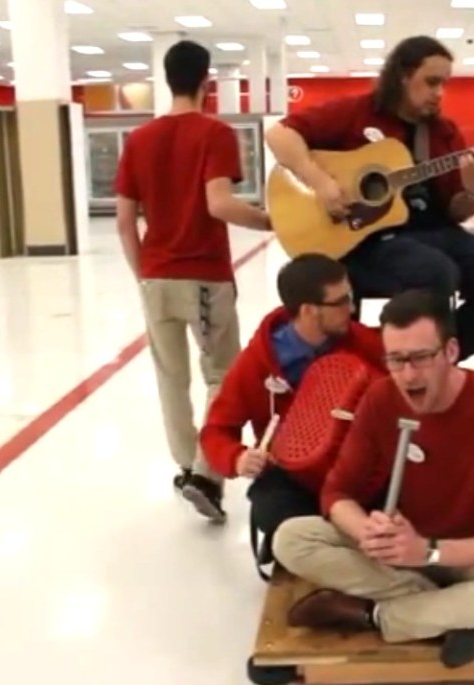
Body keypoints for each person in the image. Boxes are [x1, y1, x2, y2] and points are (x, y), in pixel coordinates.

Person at [271, 289, 474, 669]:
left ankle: (376, 615)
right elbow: (337, 493)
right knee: (291, 538)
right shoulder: (379, 399)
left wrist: (432, 552)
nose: (408, 374)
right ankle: (456, 613)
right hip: (406, 554)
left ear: (451, 351)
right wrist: (363, 529)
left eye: (422, 358)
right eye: (396, 359)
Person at [264, 35, 474, 363]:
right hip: (368, 240)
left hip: (433, 232)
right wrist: (321, 182)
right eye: (431, 82)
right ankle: (392, 356)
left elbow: (455, 213)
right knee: (436, 272)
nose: (439, 93)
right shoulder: (358, 112)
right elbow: (279, 134)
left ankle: (434, 357)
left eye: (444, 83)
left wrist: (473, 190)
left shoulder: (443, 133)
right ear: (403, 76)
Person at [114, 39, 273, 523]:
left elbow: (124, 220)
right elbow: (219, 204)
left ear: (166, 79)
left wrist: (144, 273)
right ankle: (207, 472)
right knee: (222, 376)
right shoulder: (215, 134)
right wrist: (271, 221)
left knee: (171, 378)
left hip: (156, 279)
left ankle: (186, 467)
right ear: (207, 81)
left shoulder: (138, 141)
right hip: (205, 278)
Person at [199, 253, 385, 532]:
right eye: (341, 301)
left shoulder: (362, 341)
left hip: (359, 469)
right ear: (309, 310)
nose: (352, 308)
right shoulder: (256, 363)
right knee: (273, 512)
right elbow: (216, 430)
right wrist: (237, 457)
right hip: (294, 477)